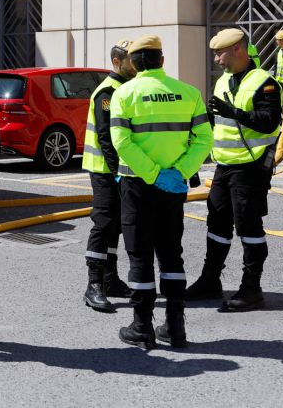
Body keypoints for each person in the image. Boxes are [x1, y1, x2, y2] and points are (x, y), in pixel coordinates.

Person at [109, 35, 213, 350]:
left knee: (140, 255)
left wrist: (152, 174)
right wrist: (178, 172)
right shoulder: (189, 93)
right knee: (171, 253)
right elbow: (204, 139)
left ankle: (142, 326)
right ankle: (175, 325)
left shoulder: (124, 94)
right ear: (162, 60)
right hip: (173, 187)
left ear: (135, 62)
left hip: (137, 185)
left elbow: (122, 142)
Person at [186, 27, 283, 312]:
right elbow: (215, 125)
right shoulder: (224, 81)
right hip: (224, 166)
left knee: (249, 226)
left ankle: (252, 289)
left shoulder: (265, 82)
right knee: (216, 223)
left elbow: (268, 122)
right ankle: (210, 281)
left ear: (237, 49)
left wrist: (235, 113)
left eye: (219, 53)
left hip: (251, 167)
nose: (216, 59)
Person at [81, 40, 136, 313]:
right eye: (130, 60)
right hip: (105, 170)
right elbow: (107, 139)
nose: (135, 65)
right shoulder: (107, 92)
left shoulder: (124, 89)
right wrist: (118, 174)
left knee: (115, 225)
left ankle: (110, 279)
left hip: (117, 171)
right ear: (117, 61)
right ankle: (93, 285)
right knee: (103, 224)